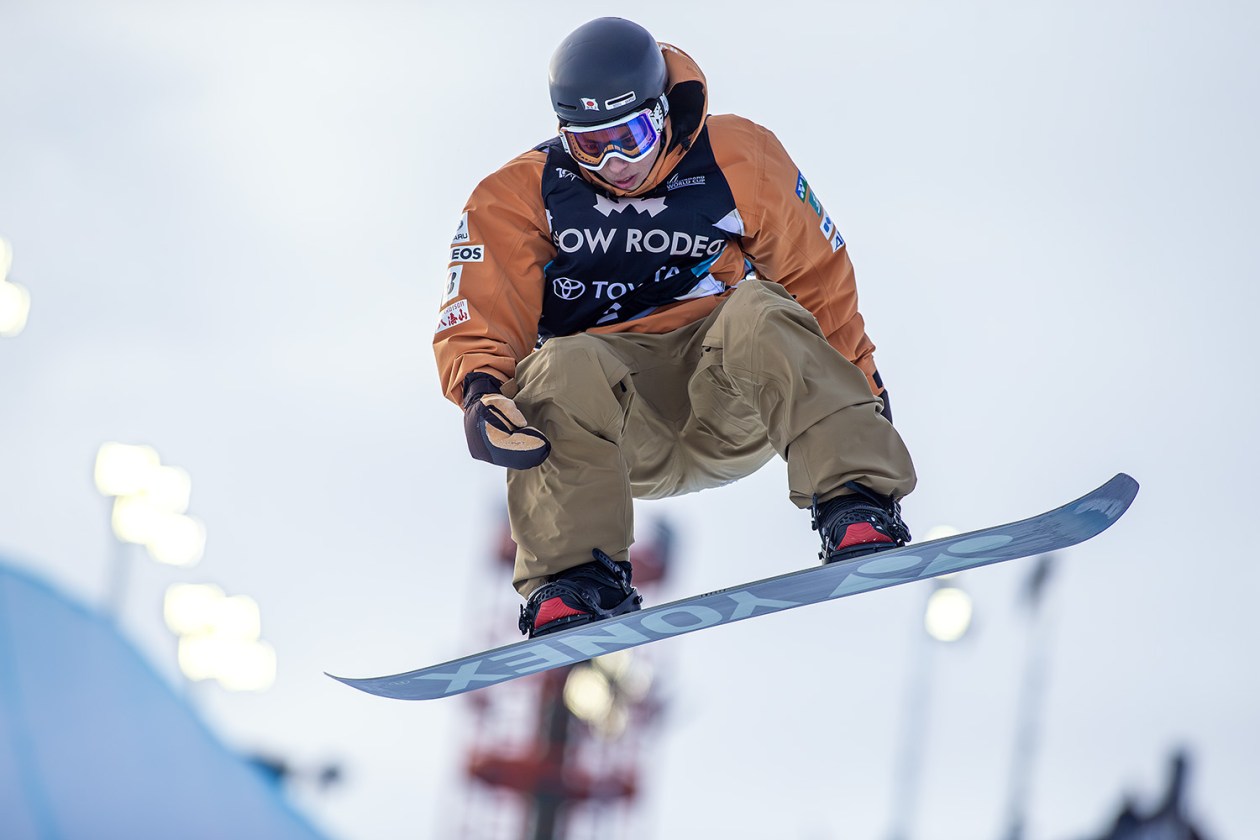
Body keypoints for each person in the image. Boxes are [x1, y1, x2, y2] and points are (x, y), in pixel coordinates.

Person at [434, 17, 917, 638]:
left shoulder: (738, 157)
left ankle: (856, 499)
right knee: (558, 364)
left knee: (758, 307)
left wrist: (862, 382)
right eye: (590, 146)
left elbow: (816, 278)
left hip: (729, 392)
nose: (616, 164)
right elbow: (482, 306)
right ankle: (575, 579)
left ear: (663, 112)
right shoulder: (522, 195)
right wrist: (481, 391)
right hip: (615, 423)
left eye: (631, 137)